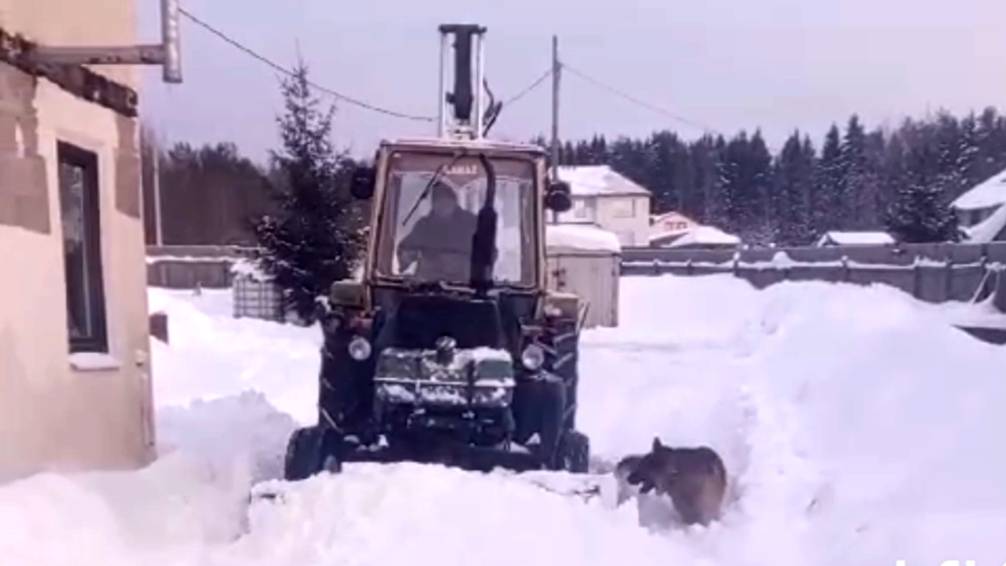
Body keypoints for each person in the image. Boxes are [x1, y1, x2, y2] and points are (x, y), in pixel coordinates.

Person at [397, 180, 478, 282]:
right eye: (438, 201)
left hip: (465, 287)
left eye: (446, 201)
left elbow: (488, 254)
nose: (442, 205)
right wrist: (408, 256)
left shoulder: (471, 223)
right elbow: (406, 250)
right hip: (428, 285)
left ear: (453, 201)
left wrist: (462, 262)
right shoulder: (424, 226)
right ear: (433, 204)